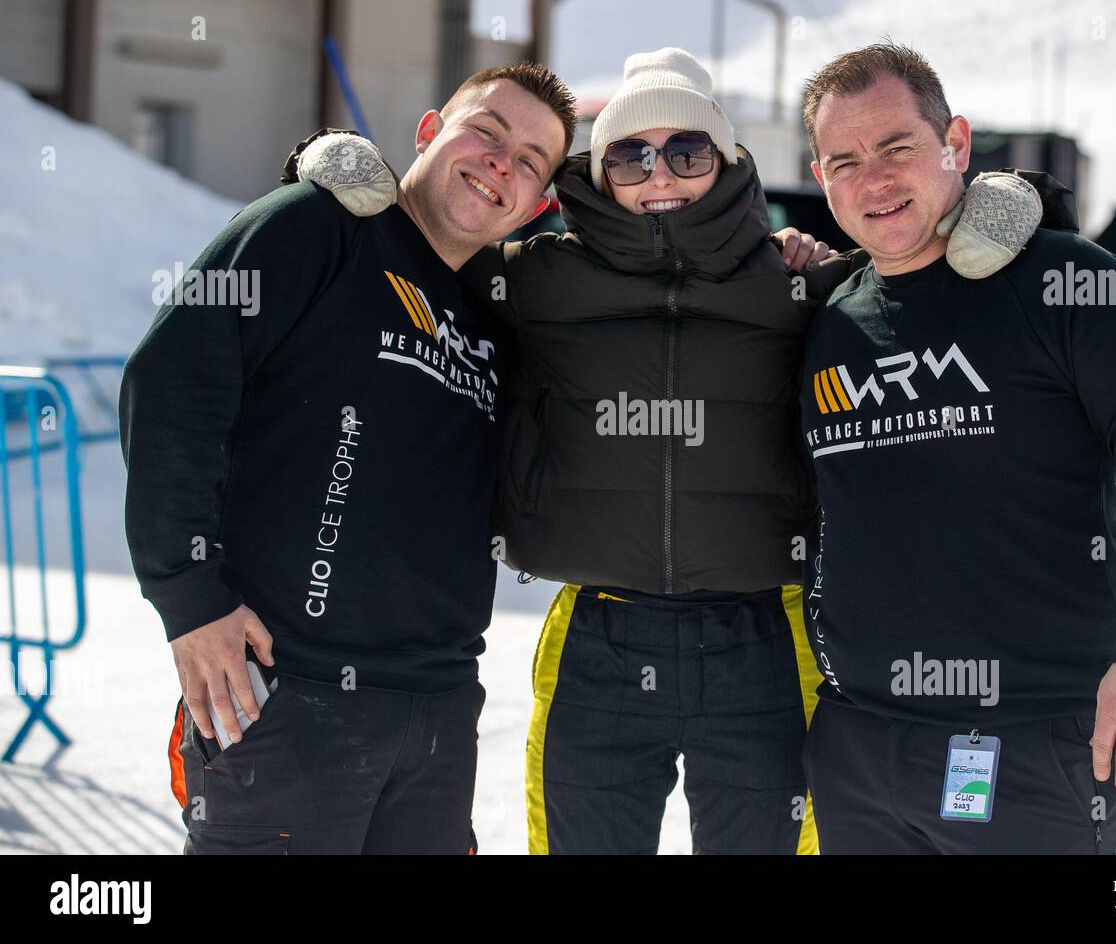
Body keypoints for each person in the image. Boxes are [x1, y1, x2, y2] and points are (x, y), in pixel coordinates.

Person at [295, 47, 1049, 854]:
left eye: (687, 151)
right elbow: (422, 230)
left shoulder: (802, 283)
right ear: (600, 167)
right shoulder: (530, 276)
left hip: (764, 637)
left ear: (723, 160)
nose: (659, 174)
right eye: (630, 153)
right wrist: (320, 162)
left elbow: (922, 274)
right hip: (599, 635)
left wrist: (1009, 200)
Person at [119, 63, 575, 854]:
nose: (503, 162)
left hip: (435, 712)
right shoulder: (322, 226)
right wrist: (187, 596)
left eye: (531, 161)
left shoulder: (499, 317)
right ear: (429, 132)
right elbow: (175, 381)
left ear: (536, 206)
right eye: (488, 132)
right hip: (287, 695)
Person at [797, 42, 1116, 853]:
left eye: (898, 148)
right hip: (857, 742)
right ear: (820, 177)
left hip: (1038, 741)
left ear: (954, 142)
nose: (873, 180)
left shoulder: (1069, 285)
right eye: (843, 160)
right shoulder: (828, 320)